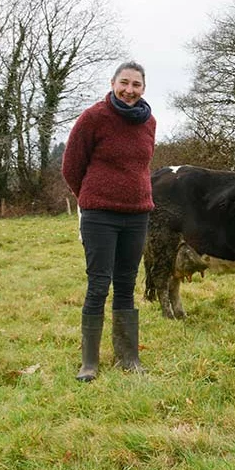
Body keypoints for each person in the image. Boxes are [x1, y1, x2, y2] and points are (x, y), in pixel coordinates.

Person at [62, 61, 156, 382]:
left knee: (127, 285)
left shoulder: (149, 122)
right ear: (113, 82)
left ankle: (128, 356)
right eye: (124, 83)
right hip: (99, 216)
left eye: (137, 85)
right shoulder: (93, 118)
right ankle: (89, 363)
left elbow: (140, 165)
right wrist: (90, 198)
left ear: (144, 88)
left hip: (137, 214)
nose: (130, 90)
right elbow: (71, 166)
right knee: (99, 284)